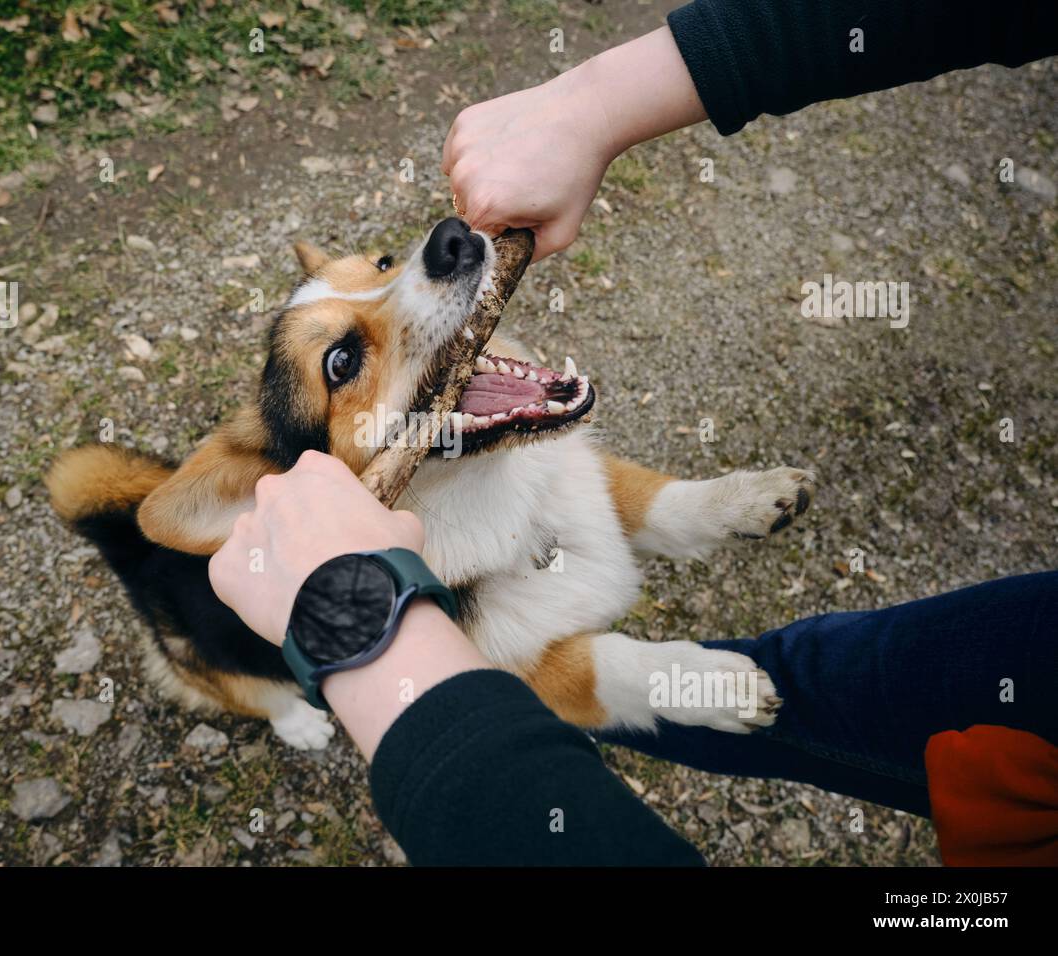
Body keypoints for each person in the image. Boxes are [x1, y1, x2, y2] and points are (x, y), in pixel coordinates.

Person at [208, 1, 1058, 866]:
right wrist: (606, 101)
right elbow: (527, 676)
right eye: (343, 363)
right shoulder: (287, 491)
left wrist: (359, 626)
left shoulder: (505, 439)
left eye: (382, 272)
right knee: (834, 675)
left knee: (828, 679)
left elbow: (583, 481)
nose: (432, 258)